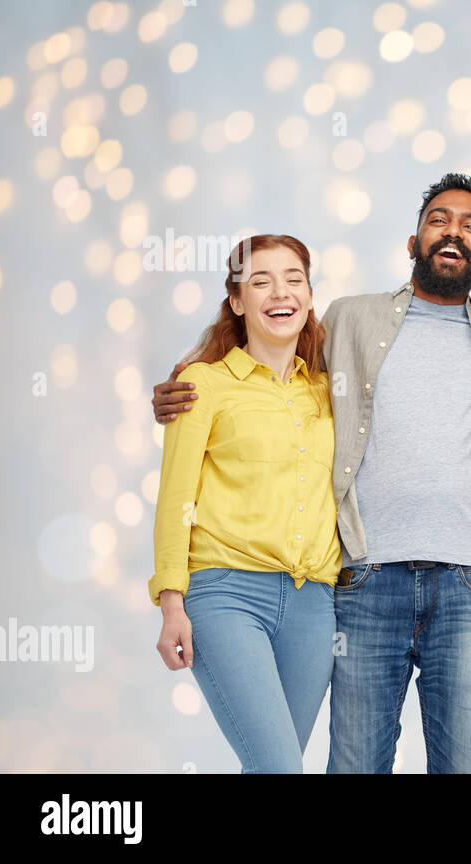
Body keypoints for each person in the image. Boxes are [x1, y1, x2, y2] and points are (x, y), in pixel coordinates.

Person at [153, 174, 471, 773]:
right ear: (413, 241)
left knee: (464, 764)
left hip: (469, 584)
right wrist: (181, 387)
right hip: (364, 580)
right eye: (439, 220)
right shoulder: (349, 319)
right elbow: (265, 353)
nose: (454, 233)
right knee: (349, 763)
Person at [151, 234, 338, 773]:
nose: (280, 293)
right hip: (226, 595)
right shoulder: (202, 385)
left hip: (314, 603)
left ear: (309, 295)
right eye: (261, 281)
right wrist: (171, 602)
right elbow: (176, 498)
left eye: (294, 279)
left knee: (272, 767)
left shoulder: (329, 391)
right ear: (236, 301)